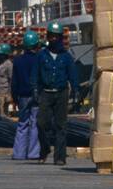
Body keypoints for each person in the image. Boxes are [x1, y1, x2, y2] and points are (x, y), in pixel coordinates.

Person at [33, 22, 79, 166]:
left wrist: (76, 92)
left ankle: (60, 157)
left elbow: (73, 75)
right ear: (47, 37)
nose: (53, 39)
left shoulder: (66, 57)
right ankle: (45, 149)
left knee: (61, 126)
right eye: (51, 36)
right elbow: (35, 75)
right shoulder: (41, 55)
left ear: (60, 38)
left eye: (56, 36)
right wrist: (35, 90)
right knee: (41, 123)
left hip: (61, 93)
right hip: (45, 93)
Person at [11, 31, 42, 160]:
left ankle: (18, 153)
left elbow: (14, 82)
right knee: (35, 124)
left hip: (22, 96)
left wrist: (14, 97)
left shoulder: (17, 61)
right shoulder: (40, 59)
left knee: (22, 124)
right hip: (36, 95)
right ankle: (33, 153)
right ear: (36, 45)